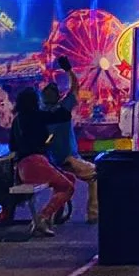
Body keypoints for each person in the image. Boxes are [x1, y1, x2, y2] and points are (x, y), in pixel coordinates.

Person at [8, 87, 74, 235]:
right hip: (37, 163)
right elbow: (64, 115)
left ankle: (52, 215)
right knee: (68, 186)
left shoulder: (17, 120)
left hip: (23, 167)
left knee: (69, 178)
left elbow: (12, 146)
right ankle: (42, 217)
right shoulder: (37, 115)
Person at [38, 85, 97, 222]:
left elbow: (46, 140)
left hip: (52, 159)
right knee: (95, 175)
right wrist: (69, 70)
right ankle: (94, 214)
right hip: (68, 158)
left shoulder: (41, 114)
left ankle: (58, 213)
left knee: (64, 181)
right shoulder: (63, 110)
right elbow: (74, 89)